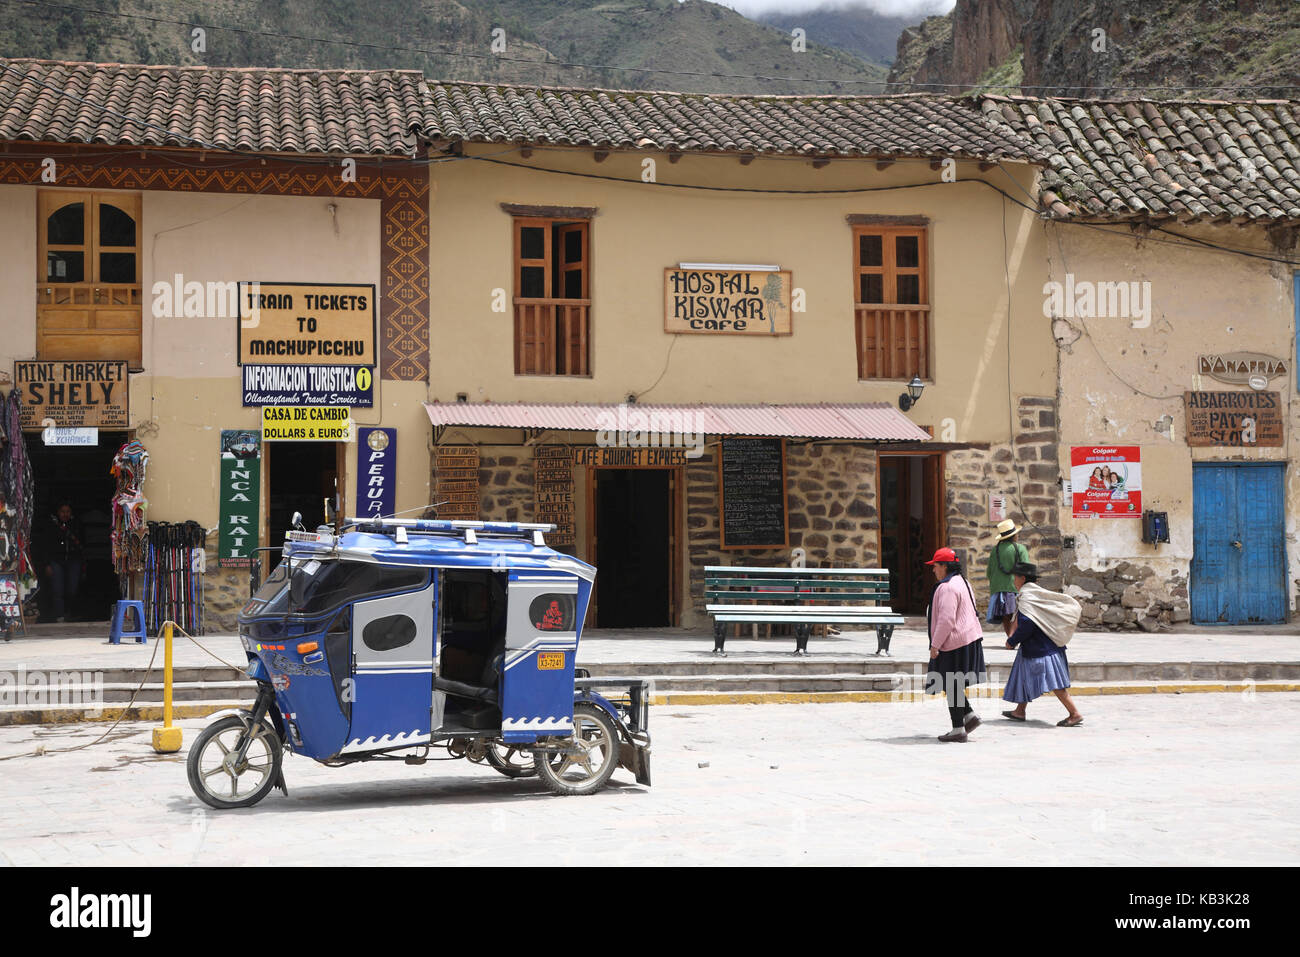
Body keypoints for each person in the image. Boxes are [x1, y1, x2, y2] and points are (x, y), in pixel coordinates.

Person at [1001, 562, 1084, 727]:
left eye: (1015, 577)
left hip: (1043, 649)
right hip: (1037, 647)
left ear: (1022, 578)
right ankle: (1019, 711)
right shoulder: (1034, 594)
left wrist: (1011, 641)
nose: (1013, 581)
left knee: (1056, 684)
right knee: (1022, 677)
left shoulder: (1028, 597)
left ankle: (1074, 713)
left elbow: (1027, 626)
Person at [923, 547, 986, 742]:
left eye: (935, 566)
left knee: (950, 683)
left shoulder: (947, 587)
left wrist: (935, 645)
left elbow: (947, 620)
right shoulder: (963, 582)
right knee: (953, 684)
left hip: (955, 642)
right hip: (969, 639)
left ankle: (958, 729)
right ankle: (969, 716)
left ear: (944, 566)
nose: (933, 570)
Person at [41, 501, 84, 623]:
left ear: (71, 513)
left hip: (73, 560)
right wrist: (47, 564)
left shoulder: (76, 525)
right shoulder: (51, 526)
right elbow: (45, 546)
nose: (65, 514)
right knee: (57, 589)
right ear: (58, 512)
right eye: (62, 511)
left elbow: (82, 543)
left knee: (72, 588)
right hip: (56, 561)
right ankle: (59, 615)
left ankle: (69, 613)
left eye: (68, 512)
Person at [986, 519, 1028, 637]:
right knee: (1016, 614)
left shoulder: (995, 550)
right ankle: (1011, 638)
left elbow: (989, 572)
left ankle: (1010, 636)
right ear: (1014, 535)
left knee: (1005, 615)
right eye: (1017, 534)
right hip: (1014, 587)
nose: (1018, 535)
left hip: (998, 588)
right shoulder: (1020, 549)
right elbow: (1026, 569)